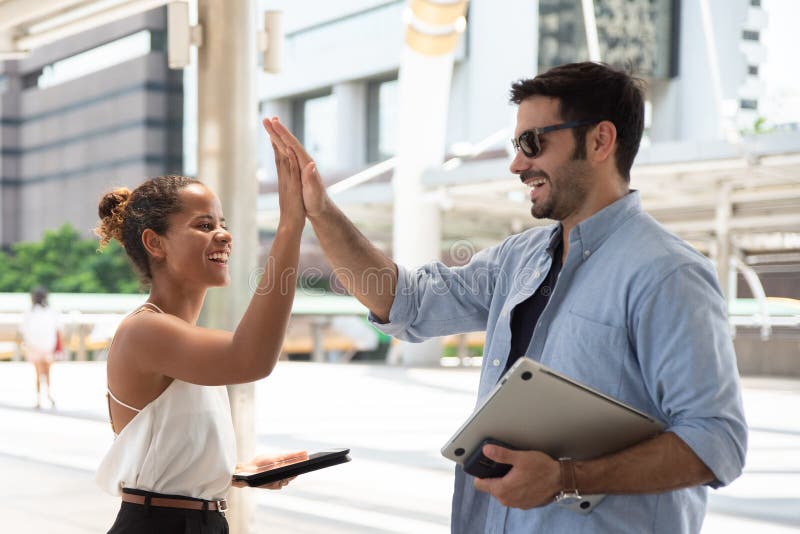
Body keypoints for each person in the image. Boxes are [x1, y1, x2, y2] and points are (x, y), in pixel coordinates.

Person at [263, 61, 748, 533]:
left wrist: (566, 478)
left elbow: (716, 440)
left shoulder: (669, 275)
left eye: (533, 143)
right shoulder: (520, 258)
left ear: (600, 140)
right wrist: (320, 212)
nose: (517, 164)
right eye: (517, 144)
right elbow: (405, 302)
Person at [94, 129, 309, 533]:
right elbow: (253, 359)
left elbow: (164, 456)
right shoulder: (146, 331)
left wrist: (232, 474)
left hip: (190, 520)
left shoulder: (180, 338)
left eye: (222, 223)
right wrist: (289, 227)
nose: (224, 235)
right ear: (155, 243)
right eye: (204, 225)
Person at [20, 286, 61, 409]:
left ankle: (39, 398)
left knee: (37, 372)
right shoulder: (51, 311)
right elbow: (58, 329)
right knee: (47, 372)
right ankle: (48, 394)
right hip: (48, 346)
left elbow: (24, 330)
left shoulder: (29, 312)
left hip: (34, 346)